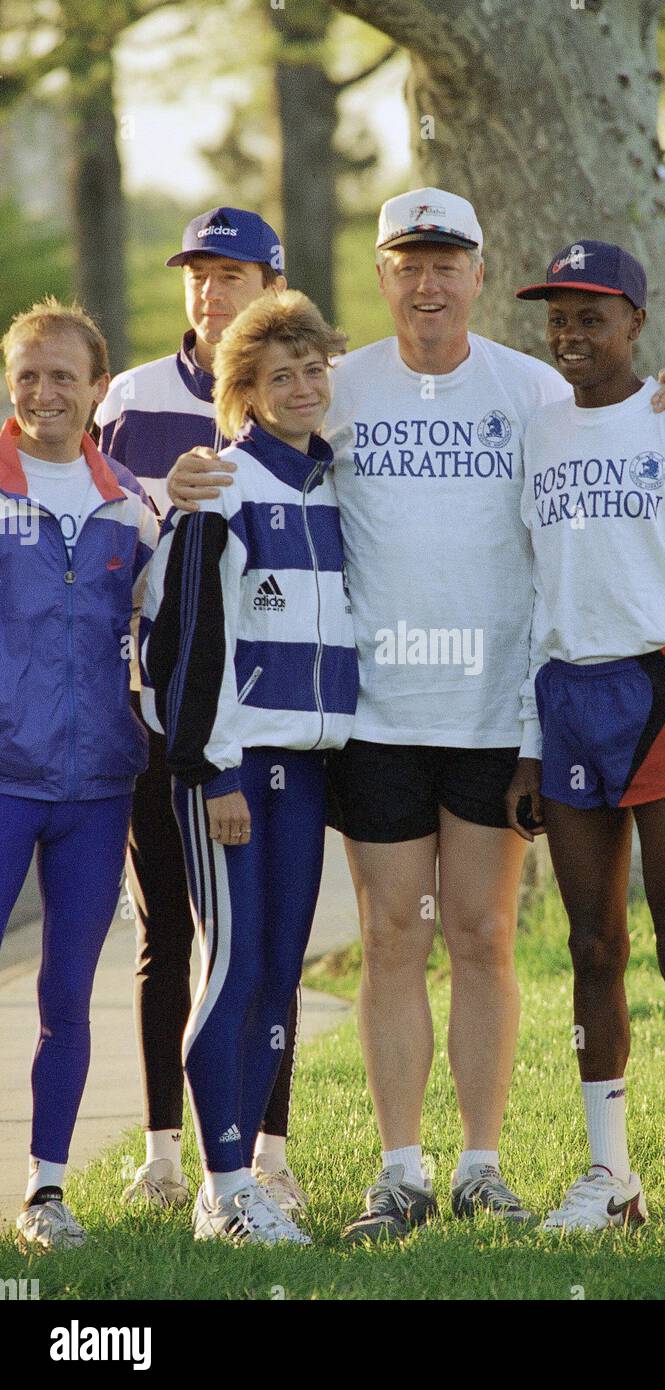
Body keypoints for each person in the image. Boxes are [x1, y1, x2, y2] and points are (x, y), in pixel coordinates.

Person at [166, 189, 665, 1241]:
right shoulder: (344, 384)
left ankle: (480, 1163)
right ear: (381, 276)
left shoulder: (529, 389)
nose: (426, 283)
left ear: (474, 272)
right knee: (386, 937)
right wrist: (194, 462)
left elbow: (613, 417)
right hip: (374, 714)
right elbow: (256, 434)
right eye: (405, 263)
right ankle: (400, 1168)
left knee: (479, 934)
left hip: (494, 718)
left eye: (446, 262)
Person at [508, 239, 665, 1230]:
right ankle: (608, 1177)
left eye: (591, 316)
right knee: (590, 945)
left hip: (663, 692)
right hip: (568, 697)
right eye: (557, 318)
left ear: (634, 325)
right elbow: (534, 595)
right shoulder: (538, 431)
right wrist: (527, 739)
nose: (571, 334)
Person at [94, 208, 307, 1224]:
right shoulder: (128, 399)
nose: (208, 291)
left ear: (270, 279)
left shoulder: (300, 391)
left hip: (266, 717)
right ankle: (163, 1148)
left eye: (230, 273)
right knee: (165, 931)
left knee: (265, 936)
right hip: (152, 709)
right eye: (196, 274)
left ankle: (269, 1149)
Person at [140, 290, 357, 1245]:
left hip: (307, 773)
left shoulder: (337, 488)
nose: (303, 388)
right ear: (244, 393)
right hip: (230, 772)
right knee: (228, 971)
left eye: (314, 371)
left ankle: (238, 1185)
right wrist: (212, 769)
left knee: (277, 975)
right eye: (281, 377)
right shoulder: (219, 490)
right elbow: (180, 650)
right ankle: (224, 1190)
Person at [0, 298, 157, 1251]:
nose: (44, 391)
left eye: (64, 376)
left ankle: (46, 1193)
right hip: (4, 780)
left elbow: (177, 624)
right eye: (27, 373)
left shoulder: (128, 504)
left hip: (100, 785)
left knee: (67, 994)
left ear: (100, 391)